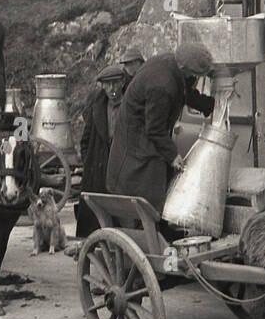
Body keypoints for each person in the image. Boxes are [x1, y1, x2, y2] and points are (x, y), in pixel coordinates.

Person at [105, 43, 216, 222]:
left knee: (151, 193)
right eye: (194, 74)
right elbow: (155, 129)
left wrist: (211, 105)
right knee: (145, 199)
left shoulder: (170, 62)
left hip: (142, 139)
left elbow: (185, 92)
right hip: (136, 146)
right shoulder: (163, 85)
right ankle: (147, 239)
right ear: (184, 68)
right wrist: (173, 156)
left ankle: (152, 233)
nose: (194, 77)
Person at [74, 47, 144, 238]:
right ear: (102, 86)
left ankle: (128, 244)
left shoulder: (132, 103)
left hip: (124, 165)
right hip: (100, 165)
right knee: (98, 212)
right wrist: (89, 162)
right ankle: (100, 244)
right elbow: (86, 139)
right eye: (107, 85)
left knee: (125, 211)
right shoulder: (96, 105)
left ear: (122, 82)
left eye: (115, 83)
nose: (112, 89)